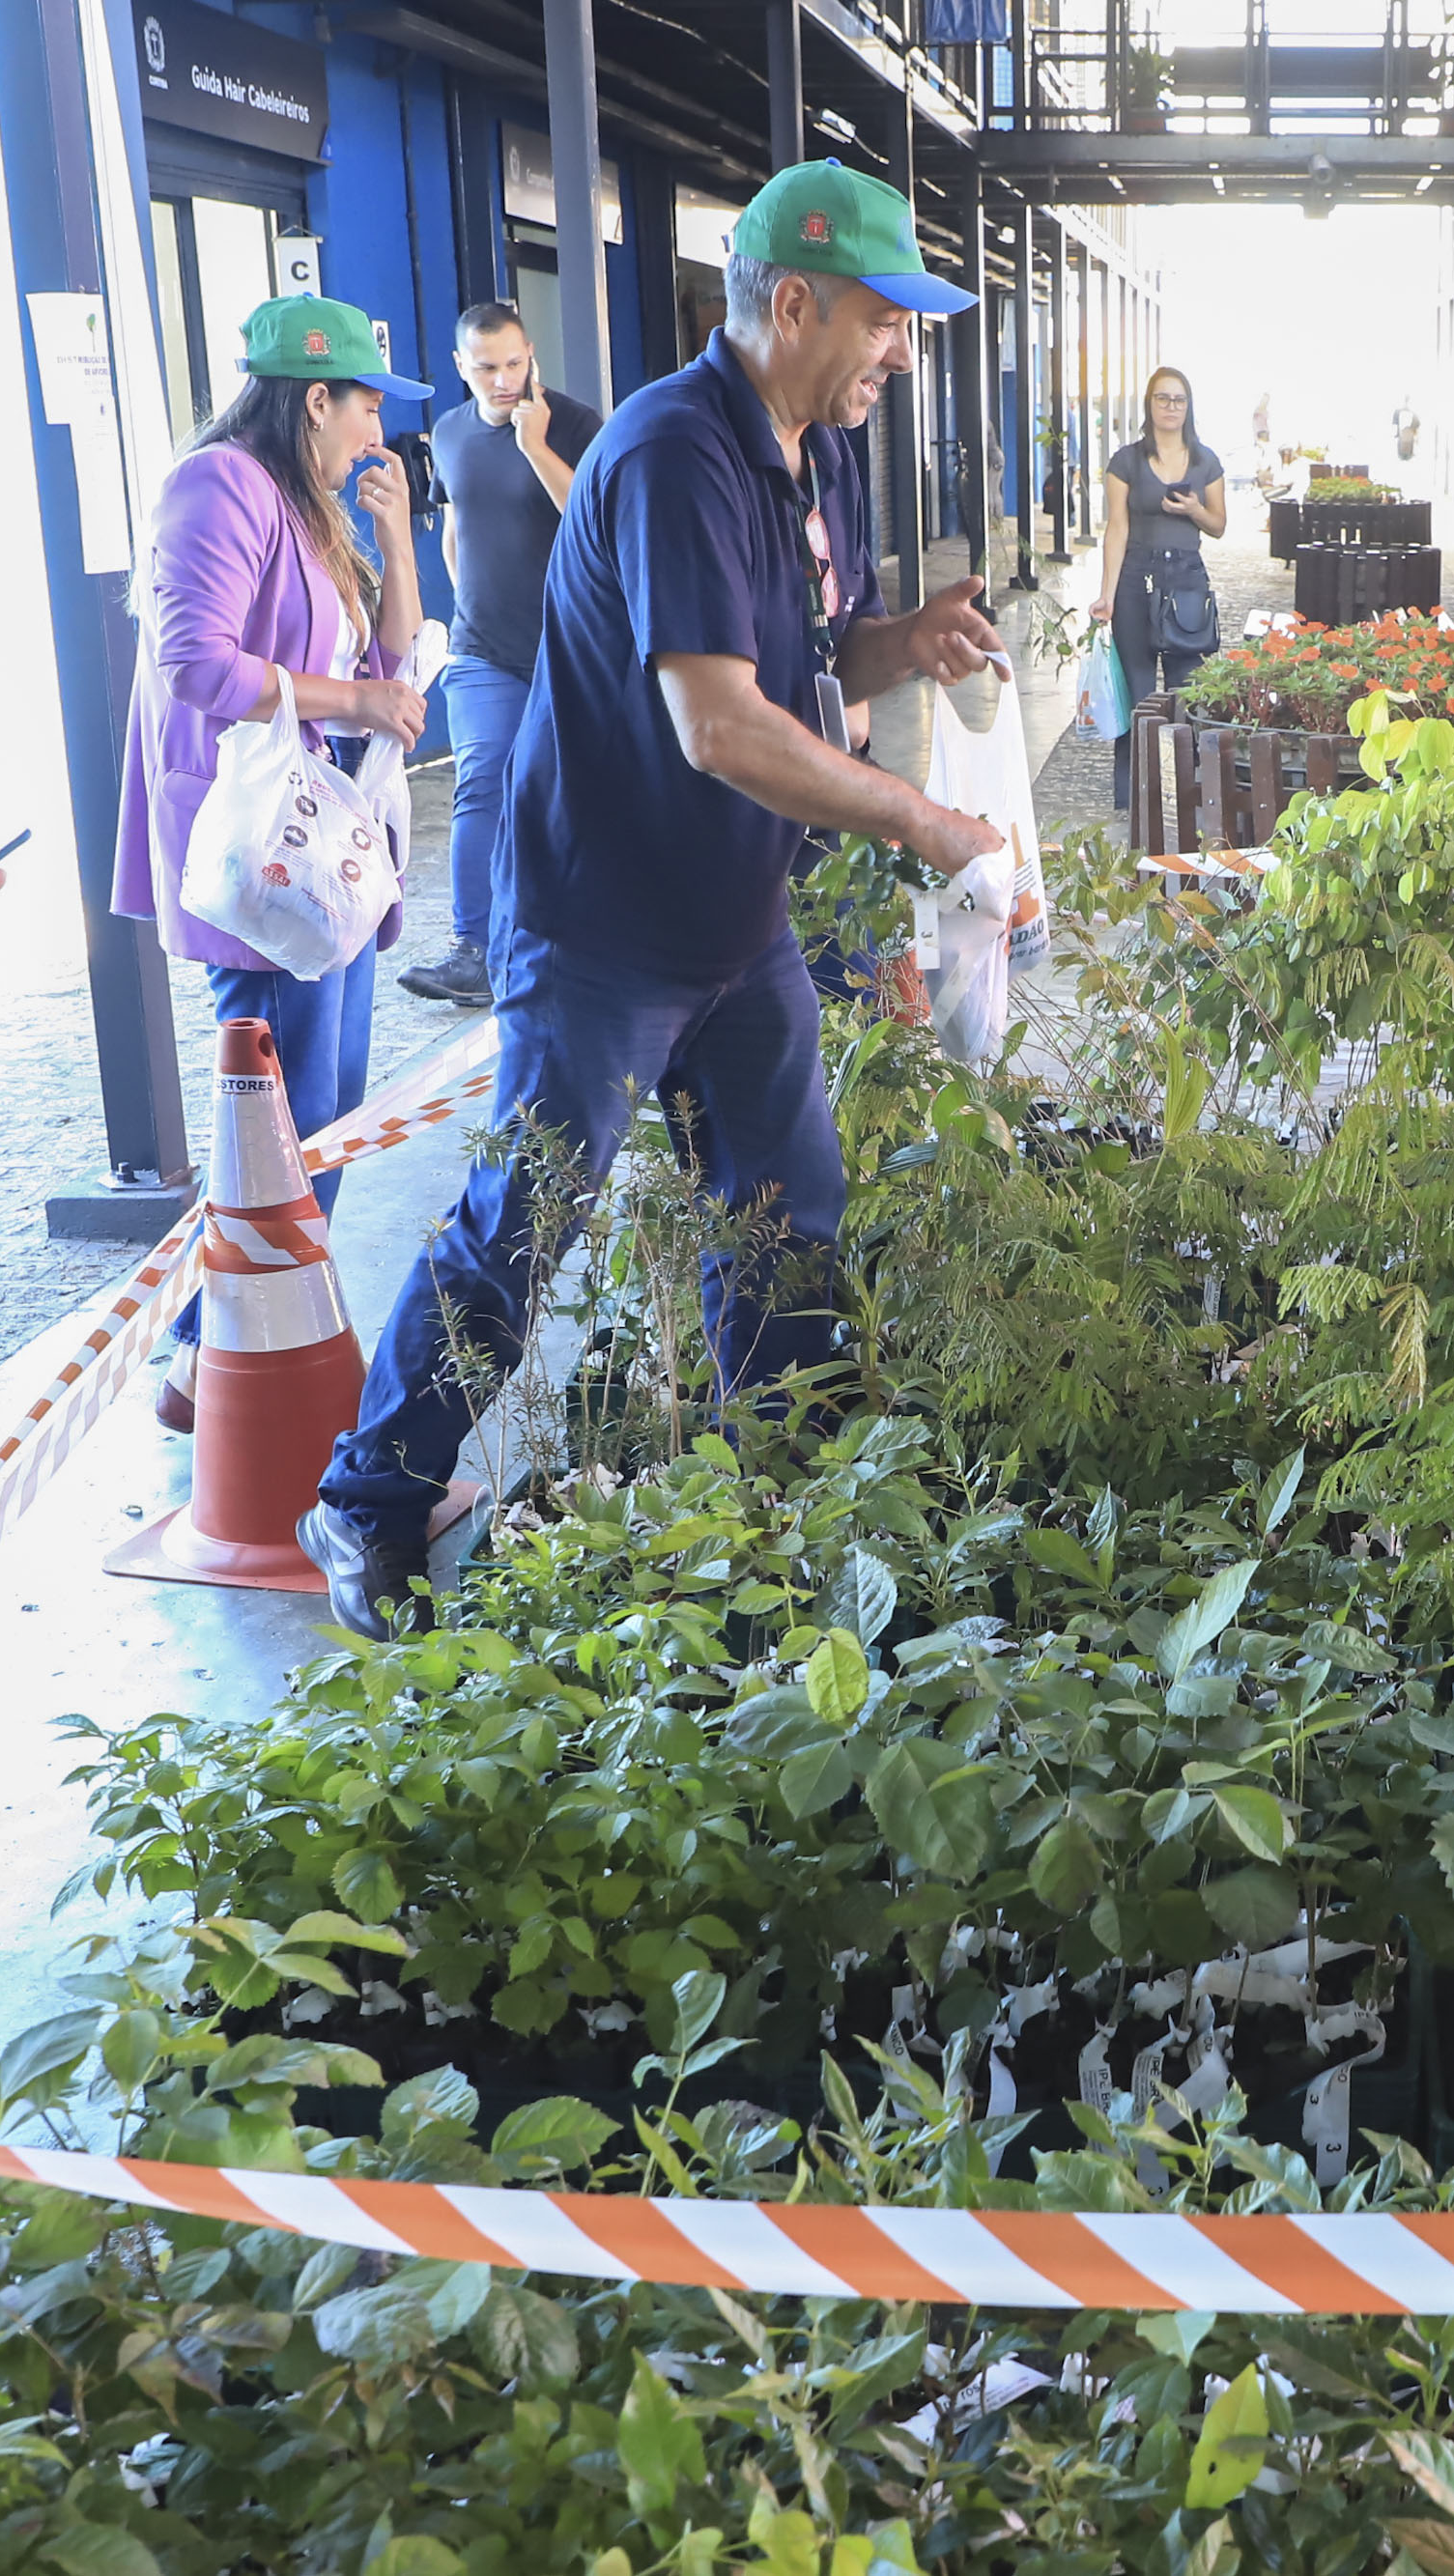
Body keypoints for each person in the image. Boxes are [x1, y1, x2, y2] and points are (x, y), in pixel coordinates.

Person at [301, 157, 1006, 1636]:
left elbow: (802, 654)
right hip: (604, 932)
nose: (900, 349)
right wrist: (927, 823)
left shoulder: (811, 449)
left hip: (738, 925)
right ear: (796, 301)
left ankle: (788, 1495)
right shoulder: (671, 451)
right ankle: (366, 1501)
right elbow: (722, 724)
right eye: (885, 318)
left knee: (786, 1213)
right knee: (524, 1230)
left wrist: (904, 643)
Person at [117, 292, 430, 1431]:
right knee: (283, 1112)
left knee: (325, 1105)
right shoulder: (217, 487)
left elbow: (391, 652)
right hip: (256, 863)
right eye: (364, 408)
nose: (375, 431)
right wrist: (353, 698)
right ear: (313, 401)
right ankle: (219, 1354)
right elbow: (196, 661)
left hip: (317, 862)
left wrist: (395, 536)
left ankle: (241, 1344)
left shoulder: (308, 506)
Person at [401, 300, 602, 1011]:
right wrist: (469, 611)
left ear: (531, 357)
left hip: (569, 647)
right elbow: (456, 526)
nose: (503, 380)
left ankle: (581, 946)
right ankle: (474, 951)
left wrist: (535, 447)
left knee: (567, 799)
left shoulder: (575, 425)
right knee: (480, 785)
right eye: (486, 368)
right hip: (483, 649)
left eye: (514, 364)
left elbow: (599, 522)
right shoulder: (449, 432)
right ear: (462, 367)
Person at [1098, 365, 1225, 800]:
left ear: (1189, 408)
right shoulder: (1126, 461)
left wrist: (1194, 509)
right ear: (1149, 405)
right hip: (1136, 579)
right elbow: (1116, 529)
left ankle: (1193, 797)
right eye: (1162, 398)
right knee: (1136, 693)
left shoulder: (1206, 459)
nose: (1171, 407)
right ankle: (1132, 799)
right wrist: (1106, 595)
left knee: (1188, 693)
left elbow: (1219, 525)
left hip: (1187, 581)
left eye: (1179, 400)